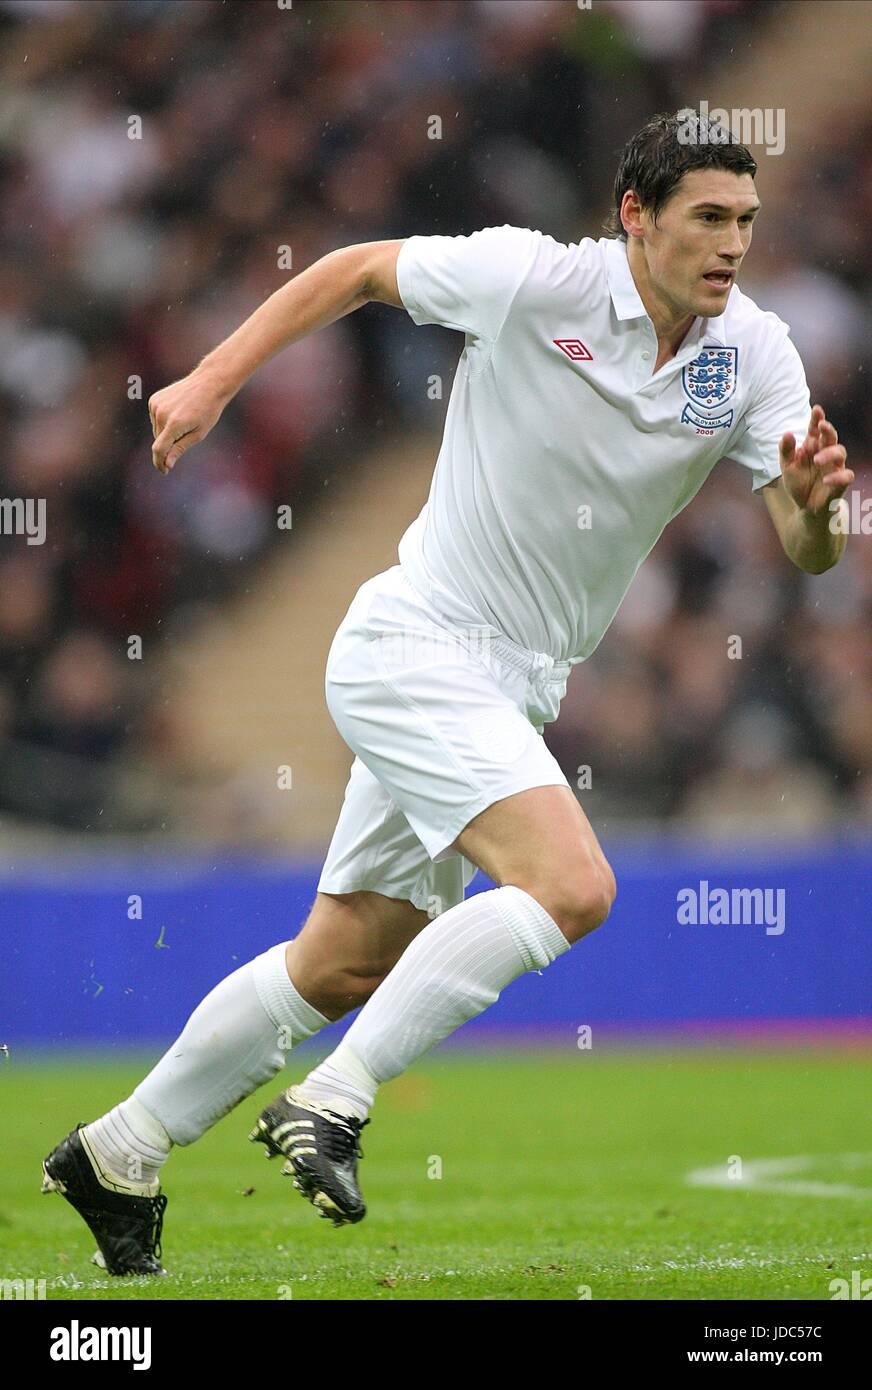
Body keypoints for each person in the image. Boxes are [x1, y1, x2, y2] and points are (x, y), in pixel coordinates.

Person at [42, 112, 853, 1274]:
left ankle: (119, 1151)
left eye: (744, 222)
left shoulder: (752, 354)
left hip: (509, 682)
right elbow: (355, 269)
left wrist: (817, 508)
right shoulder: (534, 278)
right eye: (707, 219)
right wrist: (212, 381)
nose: (730, 245)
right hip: (417, 642)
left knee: (344, 958)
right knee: (570, 883)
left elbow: (802, 543)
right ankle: (337, 1097)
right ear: (635, 216)